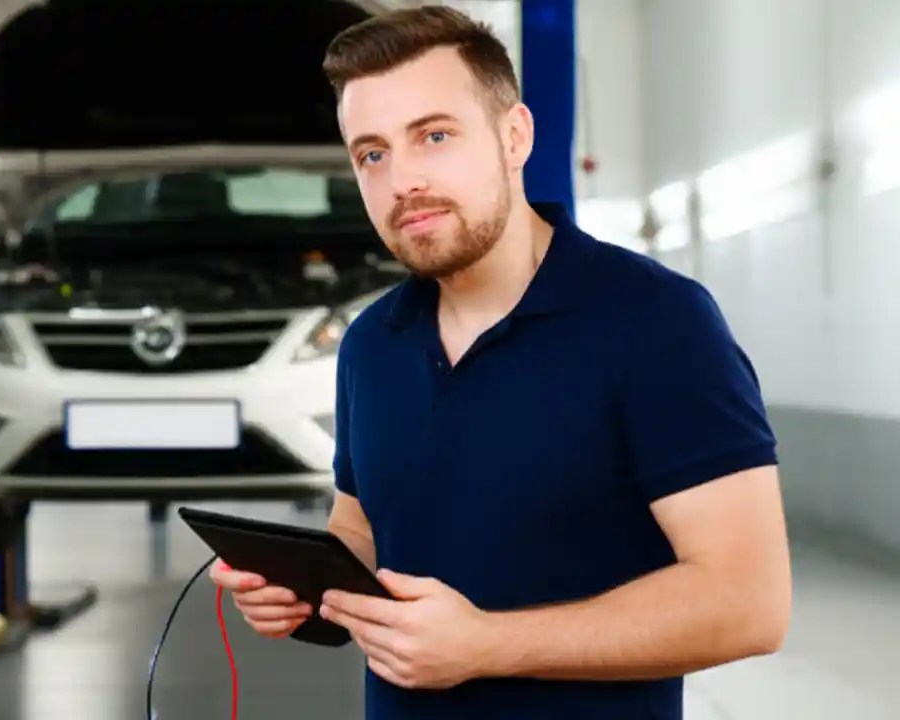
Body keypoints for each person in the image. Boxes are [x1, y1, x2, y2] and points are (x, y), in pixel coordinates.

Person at [210, 5, 792, 719]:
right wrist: (305, 587)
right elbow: (361, 527)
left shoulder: (655, 323)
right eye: (372, 153)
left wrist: (487, 644)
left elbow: (748, 602)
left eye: (434, 136)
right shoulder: (370, 343)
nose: (403, 181)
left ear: (514, 136)